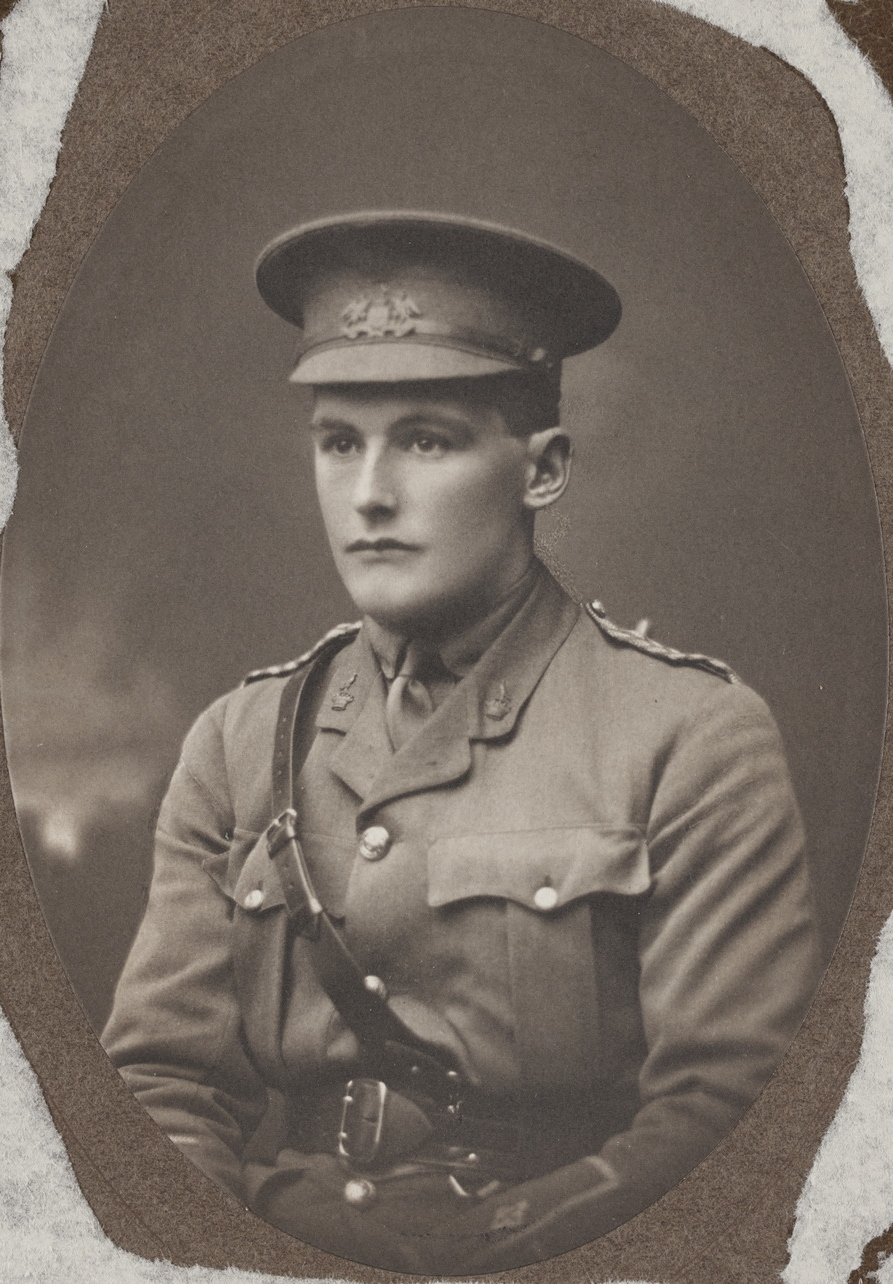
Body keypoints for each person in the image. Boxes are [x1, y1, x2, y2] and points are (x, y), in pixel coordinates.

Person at [103, 212, 822, 1274]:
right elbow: (160, 1089)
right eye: (339, 441)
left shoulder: (689, 737)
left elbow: (725, 1114)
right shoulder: (240, 740)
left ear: (543, 470)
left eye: (426, 440)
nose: (369, 494)